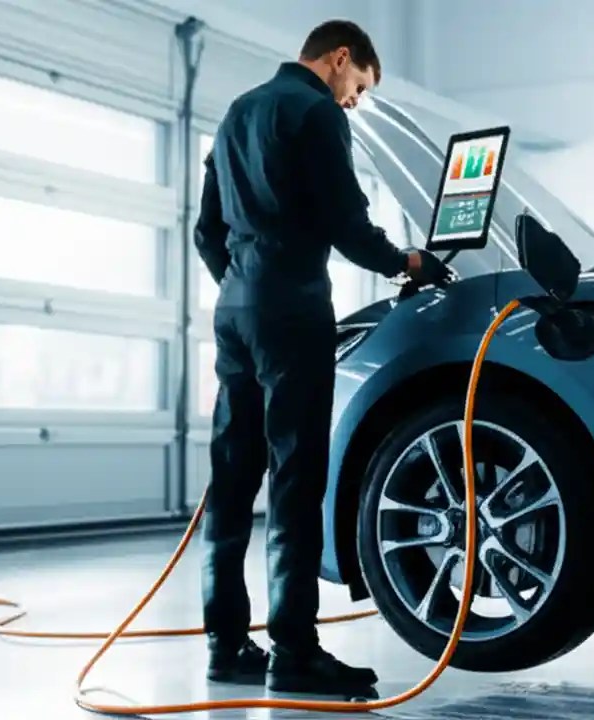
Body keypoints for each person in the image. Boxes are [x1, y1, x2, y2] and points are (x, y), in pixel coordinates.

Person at [192, 19, 452, 695]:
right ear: (339, 58)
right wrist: (408, 263)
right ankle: (294, 653)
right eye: (358, 86)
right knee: (296, 480)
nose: (354, 102)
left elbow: (206, 230)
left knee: (232, 479)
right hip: (292, 309)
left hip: (235, 311)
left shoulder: (238, 111)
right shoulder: (314, 113)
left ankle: (225, 646)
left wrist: (243, 282)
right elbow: (348, 227)